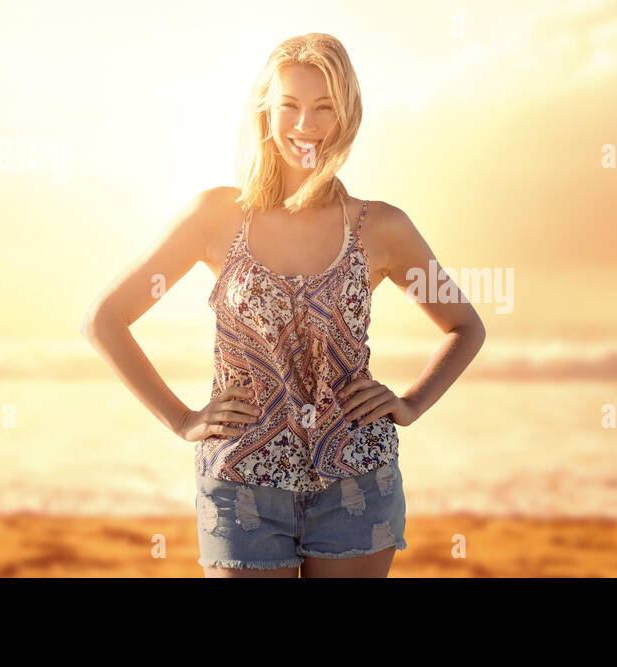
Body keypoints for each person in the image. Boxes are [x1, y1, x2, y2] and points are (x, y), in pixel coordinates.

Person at [81, 33, 485, 577]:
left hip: (357, 480)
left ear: (348, 115)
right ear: (265, 113)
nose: (306, 125)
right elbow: (106, 320)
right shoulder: (216, 216)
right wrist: (182, 420)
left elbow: (464, 326)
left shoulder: (381, 227)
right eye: (290, 106)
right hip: (240, 484)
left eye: (325, 107)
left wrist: (409, 405)